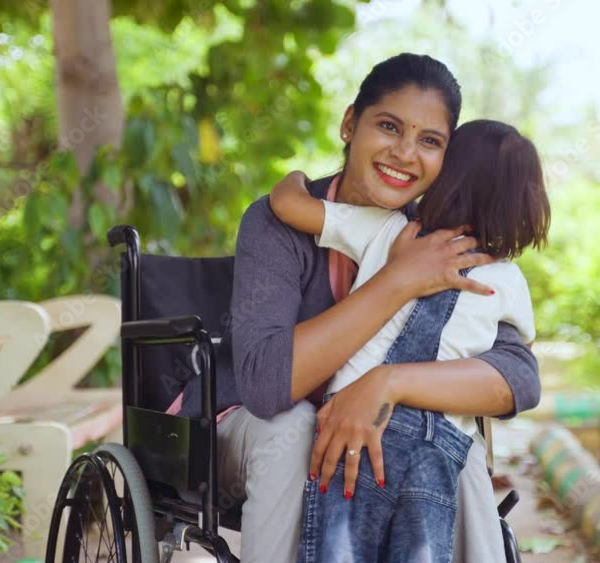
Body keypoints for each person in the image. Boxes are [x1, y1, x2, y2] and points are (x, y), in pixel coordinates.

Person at [173, 53, 541, 562]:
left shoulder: (439, 238)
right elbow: (267, 388)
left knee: (455, 448)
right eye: (388, 126)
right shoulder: (278, 226)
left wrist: (384, 384)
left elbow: (517, 376)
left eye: (430, 141)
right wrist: (397, 280)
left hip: (381, 435)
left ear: (447, 160)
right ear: (350, 123)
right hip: (246, 426)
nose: (406, 154)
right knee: (294, 428)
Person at [269, 118, 550, 562]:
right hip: (438, 444)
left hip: (354, 428)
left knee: (340, 552)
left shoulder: (387, 230)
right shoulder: (508, 280)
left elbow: (288, 205)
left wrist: (298, 178)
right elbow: (519, 366)